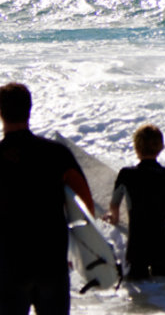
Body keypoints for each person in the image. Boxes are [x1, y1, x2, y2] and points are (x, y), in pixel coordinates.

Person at [0, 82, 93, 315]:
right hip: (51, 264)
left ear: (0, 113)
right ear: (30, 110)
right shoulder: (57, 153)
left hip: (9, 266)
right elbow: (86, 205)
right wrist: (80, 251)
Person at [105, 124, 165, 280]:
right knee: (164, 289)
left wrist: (114, 217)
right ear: (161, 147)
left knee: (139, 290)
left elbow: (114, 204)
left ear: (136, 147)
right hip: (162, 247)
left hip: (138, 246)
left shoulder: (126, 174)